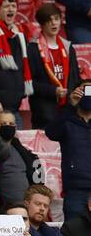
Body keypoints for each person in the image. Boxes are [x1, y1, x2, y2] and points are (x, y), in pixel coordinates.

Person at [28, 3, 81, 128]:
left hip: (69, 110)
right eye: (49, 20)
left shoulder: (68, 47)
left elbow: (76, 78)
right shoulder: (33, 48)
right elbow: (29, 83)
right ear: (42, 23)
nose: (54, 23)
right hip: (44, 114)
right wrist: (53, 91)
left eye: (56, 19)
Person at [46, 83, 91, 220]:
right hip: (75, 189)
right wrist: (70, 106)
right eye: (84, 89)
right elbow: (51, 132)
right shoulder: (67, 120)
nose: (87, 93)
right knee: (74, 235)